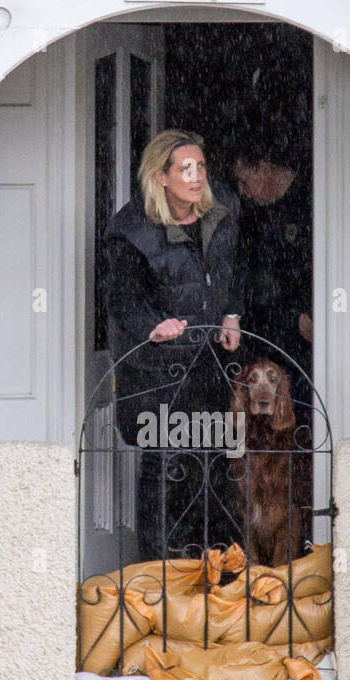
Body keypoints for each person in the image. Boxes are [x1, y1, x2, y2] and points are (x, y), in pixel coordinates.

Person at [101, 129, 244, 562]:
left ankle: (214, 572)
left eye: (200, 166)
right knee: (164, 474)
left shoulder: (221, 214)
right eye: (185, 168)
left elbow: (234, 271)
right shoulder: (132, 230)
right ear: (161, 176)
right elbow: (121, 299)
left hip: (208, 369)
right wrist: (153, 326)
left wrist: (232, 313)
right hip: (156, 376)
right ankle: (159, 575)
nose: (197, 176)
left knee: (213, 470)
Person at [231, 133, 314, 431]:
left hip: (302, 334)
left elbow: (324, 261)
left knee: (301, 416)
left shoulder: (312, 200)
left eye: (245, 181)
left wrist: (310, 309)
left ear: (265, 169)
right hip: (265, 331)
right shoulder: (253, 214)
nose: (243, 191)